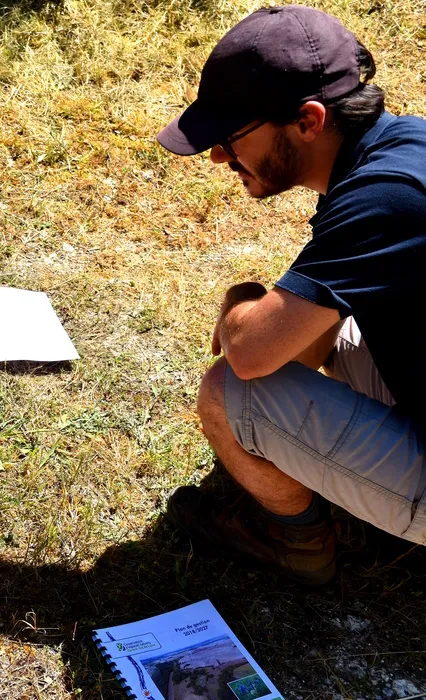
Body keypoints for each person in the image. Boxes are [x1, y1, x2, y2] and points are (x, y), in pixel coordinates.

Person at [157, 5, 426, 587]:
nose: (219, 156)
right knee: (331, 320)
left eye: (231, 137)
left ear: (308, 120)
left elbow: (252, 354)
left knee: (230, 390)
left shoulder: (385, 198)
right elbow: (301, 344)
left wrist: (239, 305)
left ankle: (297, 541)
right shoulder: (403, 148)